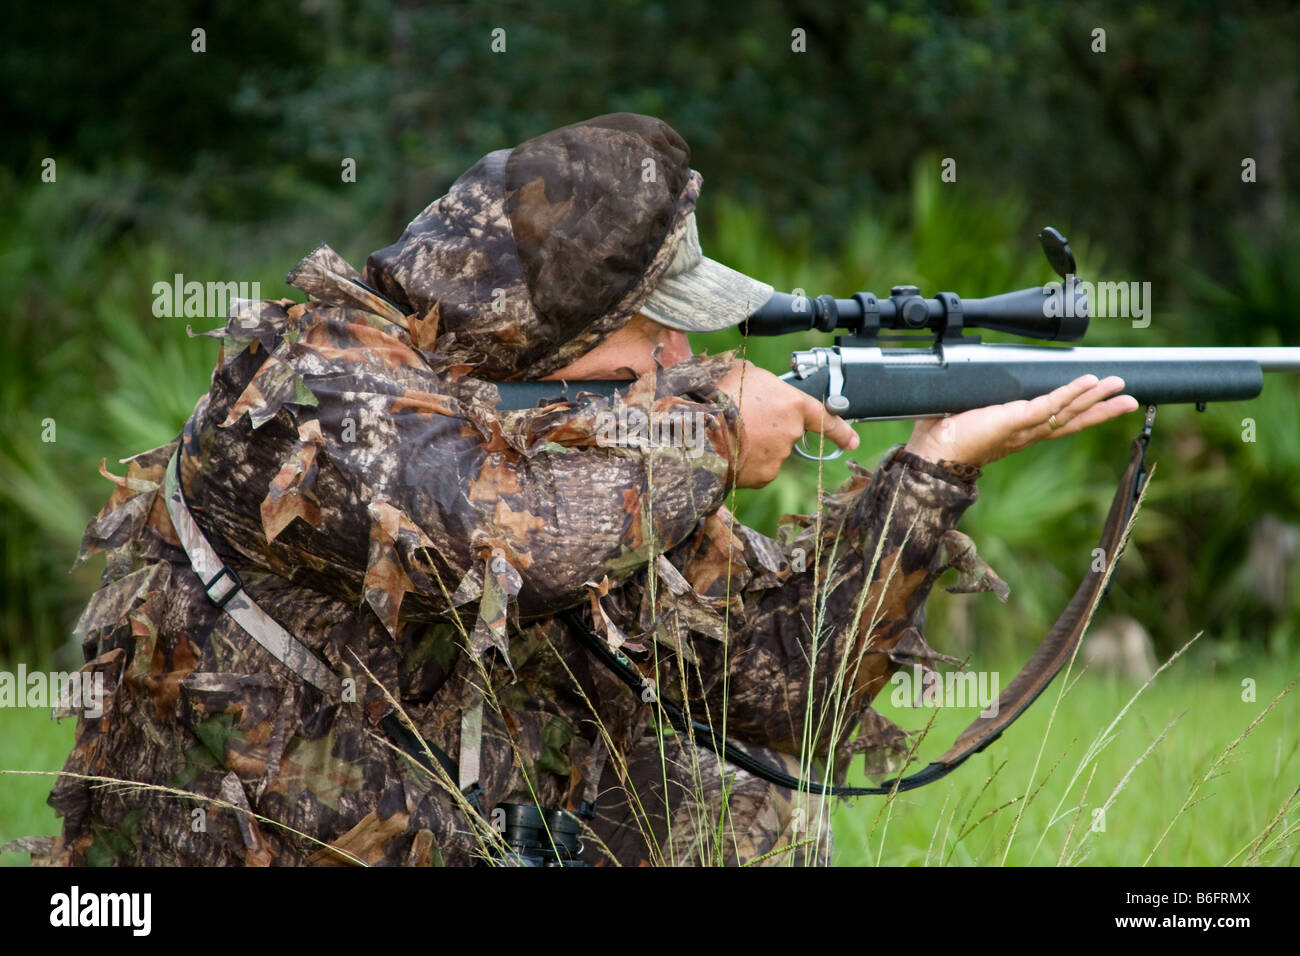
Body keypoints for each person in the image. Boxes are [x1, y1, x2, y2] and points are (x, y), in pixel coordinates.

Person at [44, 113, 1135, 867]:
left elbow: (774, 696)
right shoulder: (310, 383)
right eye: (653, 324)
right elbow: (486, 533)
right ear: (541, 321)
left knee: (739, 795)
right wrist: (709, 430)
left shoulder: (599, 439)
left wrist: (929, 472)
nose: (678, 351)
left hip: (464, 833)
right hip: (248, 845)